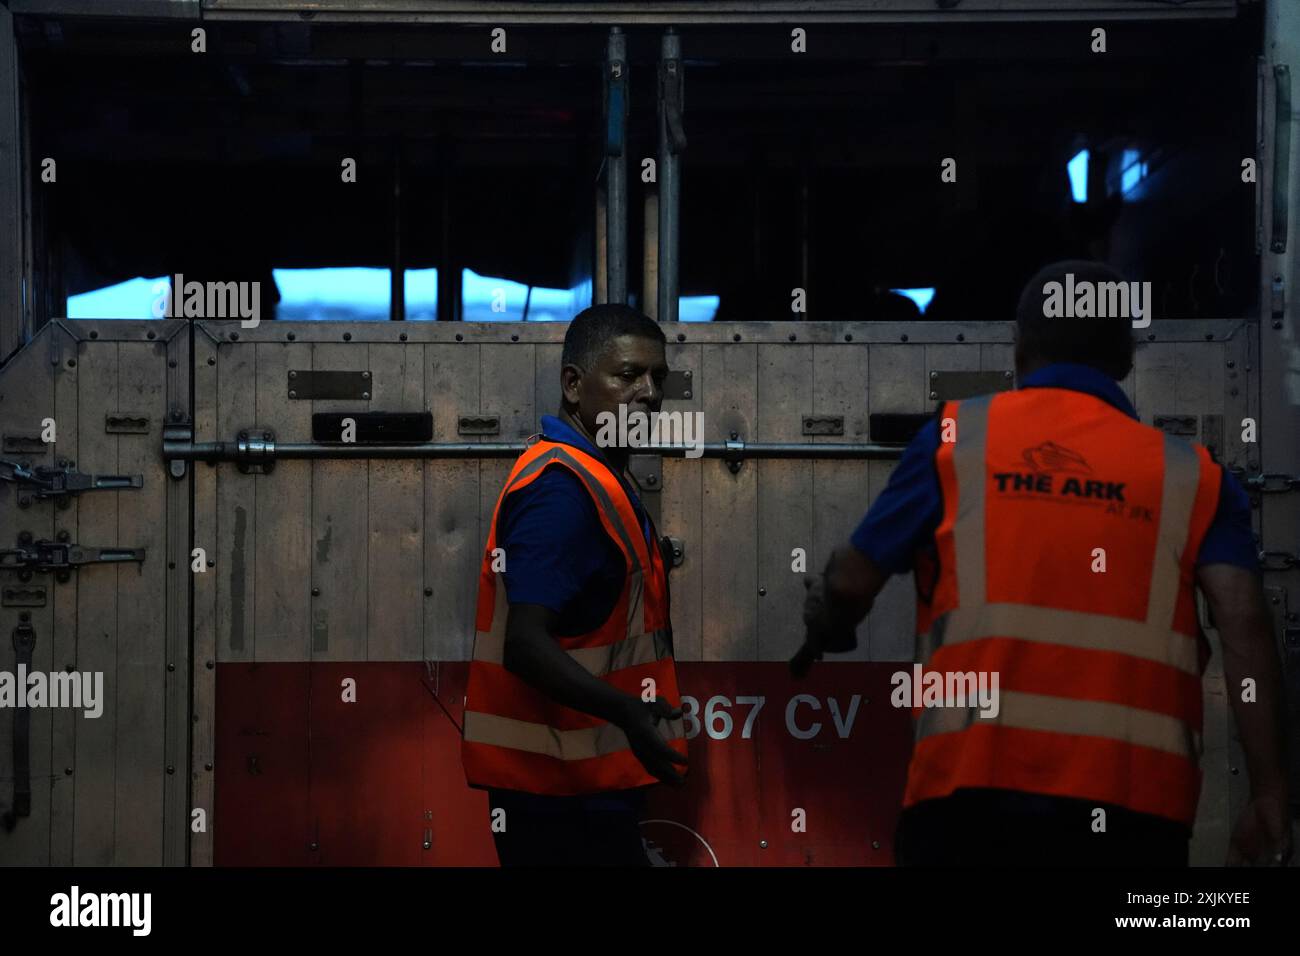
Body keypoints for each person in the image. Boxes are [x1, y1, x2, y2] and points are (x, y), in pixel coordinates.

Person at [795, 260, 1292, 867]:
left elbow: (851, 579)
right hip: (1134, 810)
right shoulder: (1195, 477)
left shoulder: (954, 441)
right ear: (1126, 355)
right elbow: (1244, 624)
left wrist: (828, 616)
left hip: (969, 797)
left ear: (1020, 344)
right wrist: (1269, 791)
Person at [461, 303, 689, 867]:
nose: (649, 393)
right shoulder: (562, 490)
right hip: (558, 798)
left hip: (583, 784)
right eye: (628, 375)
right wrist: (628, 713)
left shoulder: (601, 475)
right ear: (573, 384)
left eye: (658, 378)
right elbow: (525, 643)